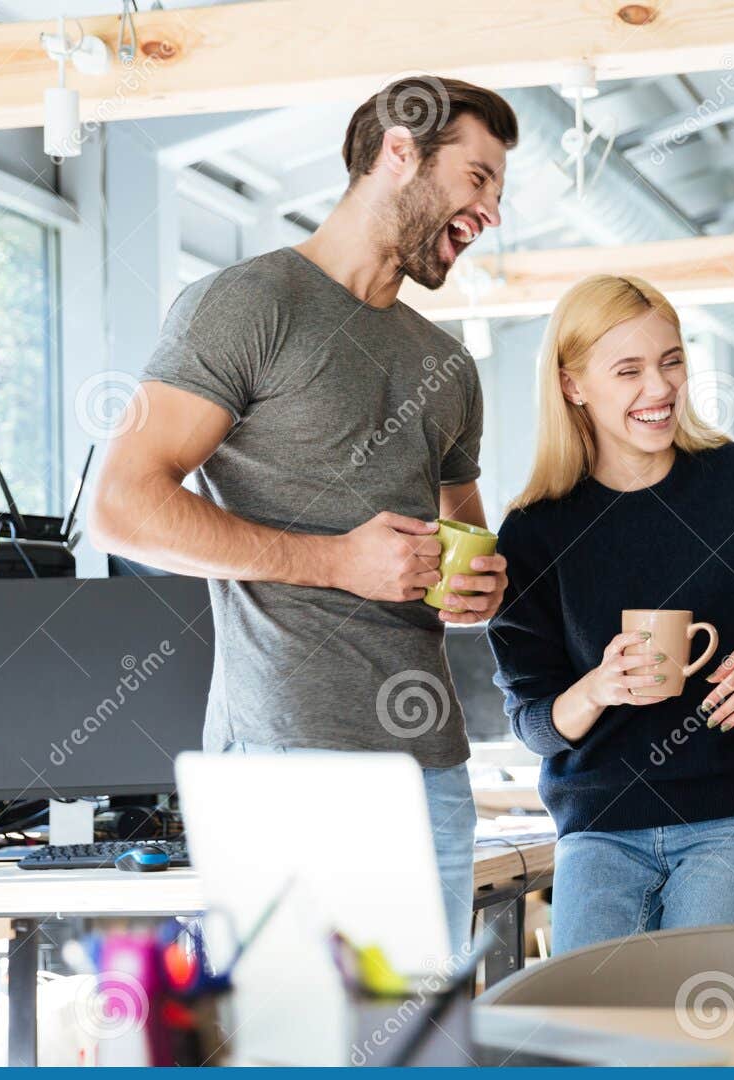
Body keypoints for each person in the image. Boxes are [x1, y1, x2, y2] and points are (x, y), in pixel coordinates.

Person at [88, 77, 519, 952]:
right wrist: (335, 561)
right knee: (295, 1054)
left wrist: (481, 584)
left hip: (432, 762)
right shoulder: (248, 304)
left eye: (498, 193)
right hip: (289, 754)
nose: (490, 212)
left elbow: (461, 539)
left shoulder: (448, 362)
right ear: (401, 152)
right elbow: (123, 505)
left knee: (419, 1057)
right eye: (477, 179)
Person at [489, 274, 734, 953]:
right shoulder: (534, 531)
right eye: (628, 370)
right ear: (573, 385)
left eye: (672, 360)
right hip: (600, 830)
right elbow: (535, 725)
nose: (659, 389)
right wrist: (598, 686)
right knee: (591, 1041)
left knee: (695, 1021)